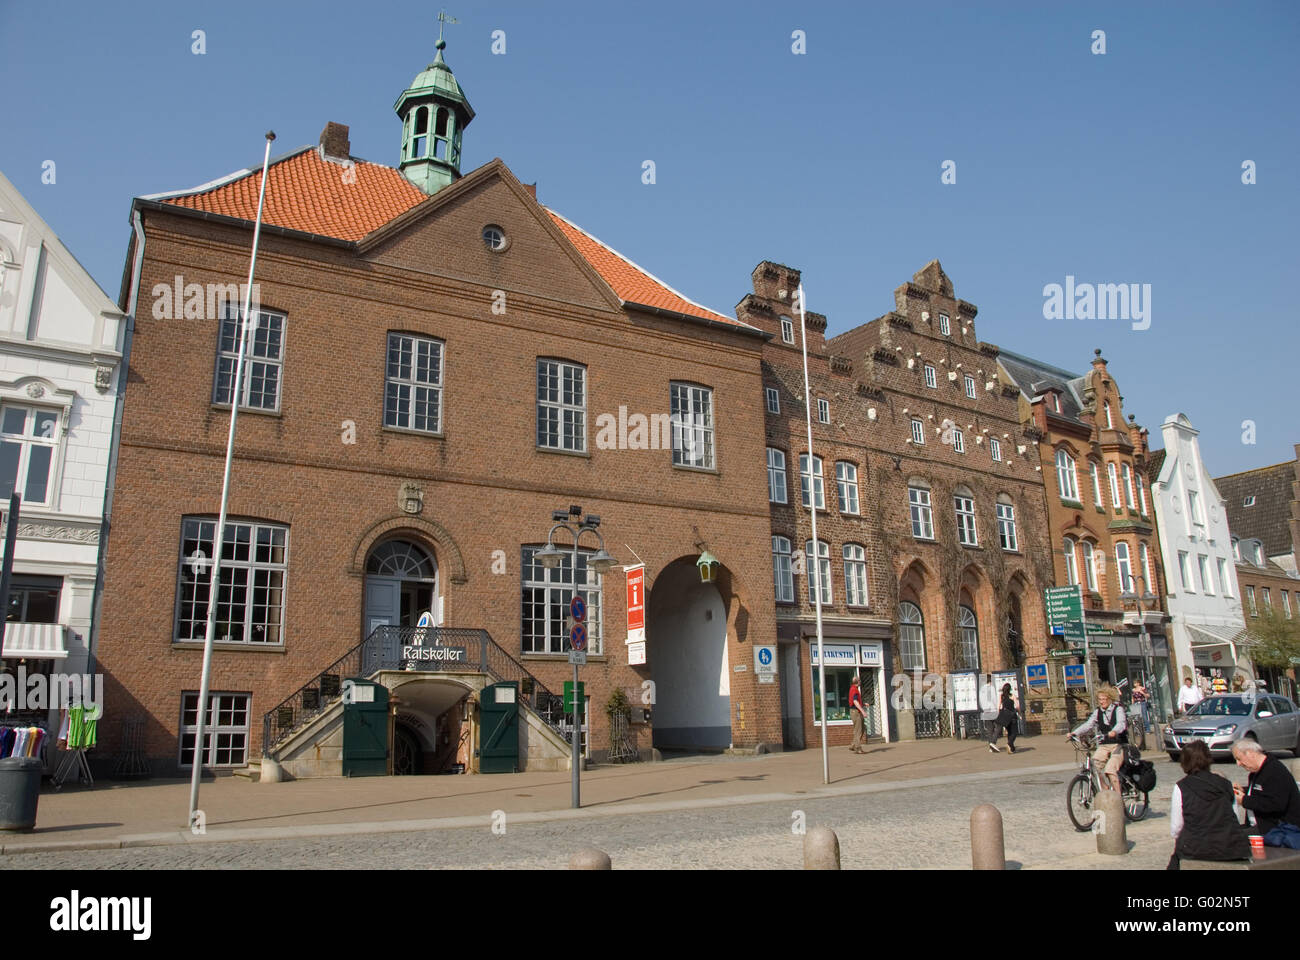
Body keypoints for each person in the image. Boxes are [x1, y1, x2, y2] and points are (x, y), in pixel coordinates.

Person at [1167, 740, 1250, 870]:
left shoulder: (1181, 787)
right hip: (1230, 847)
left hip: (1196, 848)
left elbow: (1176, 827)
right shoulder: (1226, 784)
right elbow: (1235, 818)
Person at [1231, 739, 1300, 846]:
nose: (1238, 764)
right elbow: (1262, 791)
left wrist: (1244, 800)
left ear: (1250, 753)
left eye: (1239, 759)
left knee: (1231, 838)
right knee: (1225, 832)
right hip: (1259, 825)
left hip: (1278, 829)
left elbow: (1275, 804)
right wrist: (1243, 790)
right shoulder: (1256, 772)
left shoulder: (1275, 771)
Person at [1067, 685, 1127, 792]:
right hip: (1104, 745)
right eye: (1100, 699)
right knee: (1094, 766)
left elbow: (1121, 724)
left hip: (1118, 745)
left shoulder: (1118, 709)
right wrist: (1074, 733)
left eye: (1104, 699)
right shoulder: (1098, 712)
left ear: (1110, 699)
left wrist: (1114, 731)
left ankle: (1118, 799)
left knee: (1110, 769)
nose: (1102, 702)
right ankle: (1105, 789)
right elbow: (1088, 725)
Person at [989, 683, 1019, 754]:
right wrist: (1019, 714)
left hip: (1003, 714)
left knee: (998, 728)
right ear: (1010, 689)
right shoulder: (1012, 696)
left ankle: (993, 743)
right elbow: (1017, 706)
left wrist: (998, 714)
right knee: (1012, 731)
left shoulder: (1001, 696)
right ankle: (1009, 745)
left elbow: (998, 706)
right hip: (1010, 715)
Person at [848, 674, 867, 754]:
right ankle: (858, 748)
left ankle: (853, 745)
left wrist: (863, 704)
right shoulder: (854, 690)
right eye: (860, 680)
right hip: (856, 712)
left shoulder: (854, 689)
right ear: (858, 682)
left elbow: (856, 701)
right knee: (858, 730)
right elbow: (855, 701)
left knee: (862, 728)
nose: (861, 682)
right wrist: (863, 711)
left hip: (856, 711)